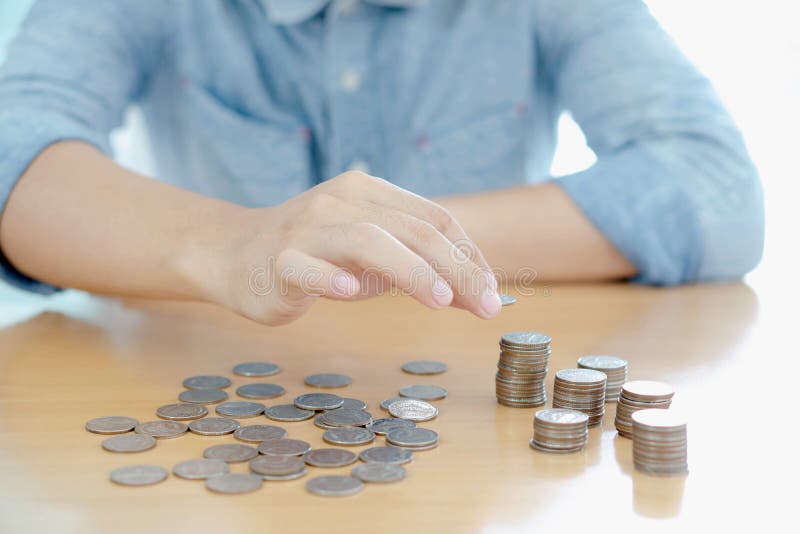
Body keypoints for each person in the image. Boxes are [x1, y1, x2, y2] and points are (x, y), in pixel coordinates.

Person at [0, 0, 764, 325]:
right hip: (213, 366)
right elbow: (15, 137)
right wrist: (236, 244)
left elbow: (719, 189)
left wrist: (392, 241)